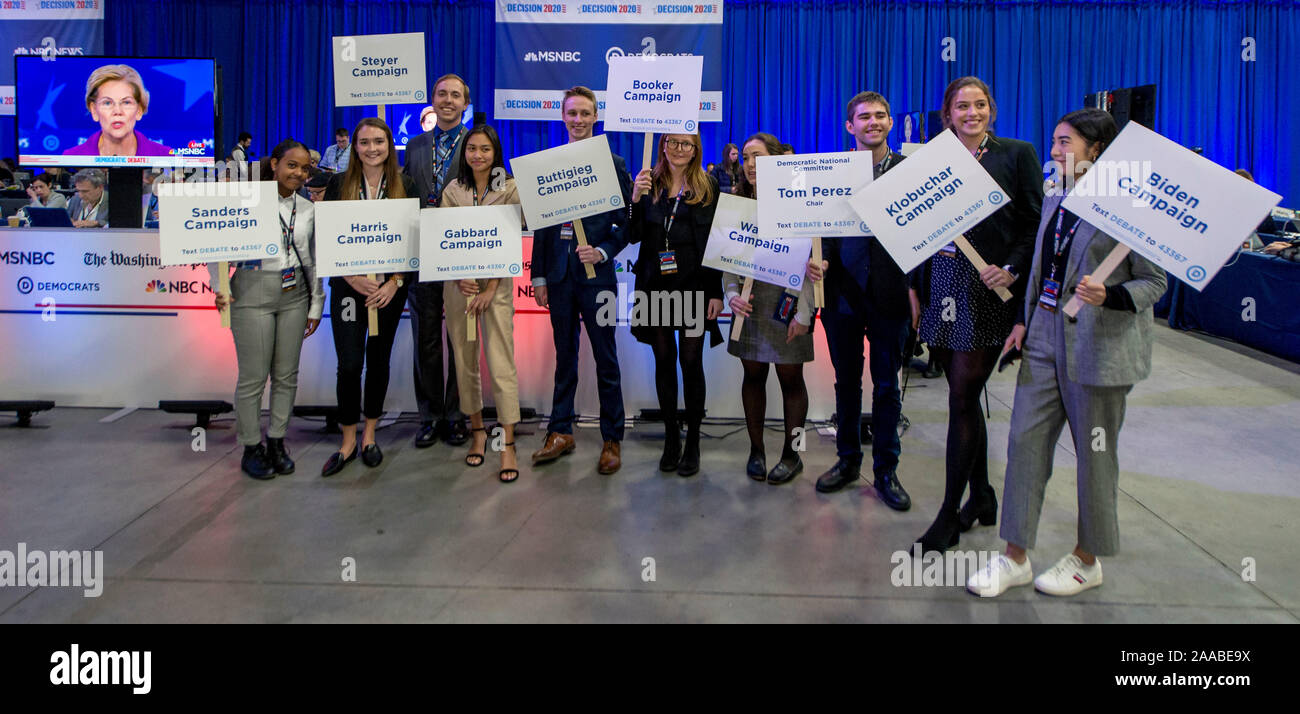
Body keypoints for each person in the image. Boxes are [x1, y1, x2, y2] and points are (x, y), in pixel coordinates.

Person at [967, 109, 1167, 597]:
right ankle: (1015, 555)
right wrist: (1023, 321)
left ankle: (1087, 558)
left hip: (1098, 349)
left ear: (1095, 149)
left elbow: (1154, 281)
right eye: (1055, 141)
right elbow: (1042, 269)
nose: (1055, 151)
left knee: (1095, 458)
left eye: (1064, 142)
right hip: (1042, 338)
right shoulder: (1057, 193)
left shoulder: (1131, 205)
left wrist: (1111, 296)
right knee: (1024, 446)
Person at [911, 76, 1044, 553]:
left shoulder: (1017, 154)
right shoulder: (930, 159)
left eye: (980, 104)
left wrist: (1011, 268)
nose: (972, 113)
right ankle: (983, 495)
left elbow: (1034, 223)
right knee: (961, 393)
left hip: (989, 288)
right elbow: (914, 227)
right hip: (940, 282)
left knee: (963, 396)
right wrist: (914, 291)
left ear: (992, 109)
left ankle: (948, 516)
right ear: (947, 113)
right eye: (962, 106)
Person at [805, 91, 912, 510]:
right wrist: (821, 262)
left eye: (880, 115)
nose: (873, 122)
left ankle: (887, 470)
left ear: (889, 122)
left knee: (887, 387)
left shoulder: (909, 172)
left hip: (891, 295)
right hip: (842, 295)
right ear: (850, 126)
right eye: (863, 117)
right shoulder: (831, 171)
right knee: (846, 383)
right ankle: (848, 461)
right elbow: (822, 232)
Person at [530, 86, 633, 475]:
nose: (578, 120)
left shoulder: (614, 163)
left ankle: (612, 438)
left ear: (595, 117)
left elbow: (625, 225)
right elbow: (541, 227)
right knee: (565, 357)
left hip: (598, 278)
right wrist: (539, 275)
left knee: (606, 358)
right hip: (559, 278)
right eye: (571, 114)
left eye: (585, 113)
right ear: (563, 117)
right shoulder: (549, 163)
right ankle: (560, 431)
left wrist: (603, 251)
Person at [210, 139, 325, 480]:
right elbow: (214, 247)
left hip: (295, 294)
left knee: (287, 375)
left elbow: (314, 261)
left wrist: (316, 304)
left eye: (305, 168)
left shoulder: (307, 210)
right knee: (253, 377)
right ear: (274, 164)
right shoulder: (244, 203)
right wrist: (220, 288)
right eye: (292, 165)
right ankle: (250, 446)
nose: (299, 173)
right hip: (251, 290)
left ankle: (276, 440)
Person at [320, 118, 419, 477]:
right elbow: (327, 236)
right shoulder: (338, 184)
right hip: (349, 288)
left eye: (379, 141)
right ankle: (347, 439)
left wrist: (394, 282)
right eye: (364, 142)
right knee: (349, 364)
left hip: (389, 290)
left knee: (378, 361)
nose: (372, 148)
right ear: (354, 147)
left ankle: (370, 435)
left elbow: (413, 241)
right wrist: (351, 276)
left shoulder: (404, 184)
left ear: (390, 145)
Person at [627, 133, 723, 477]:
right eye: (674, 142)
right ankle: (671, 438)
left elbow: (715, 242)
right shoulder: (647, 182)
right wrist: (635, 198)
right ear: (663, 145)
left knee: (691, 361)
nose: (681, 149)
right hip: (655, 285)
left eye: (688, 144)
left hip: (695, 286)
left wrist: (716, 292)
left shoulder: (707, 186)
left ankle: (693, 439)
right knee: (664, 360)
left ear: (696, 149)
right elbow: (634, 233)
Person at [725, 132, 815, 485]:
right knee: (753, 378)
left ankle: (795, 454)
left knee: (793, 382)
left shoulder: (799, 203)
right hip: (750, 305)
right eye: (745, 157)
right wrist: (732, 292)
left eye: (758, 156)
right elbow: (728, 260)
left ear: (777, 159)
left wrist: (804, 314)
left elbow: (810, 263)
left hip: (789, 305)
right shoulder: (735, 201)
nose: (749, 164)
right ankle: (756, 450)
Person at [440, 125, 524, 483]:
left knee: (501, 361)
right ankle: (477, 433)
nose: (477, 155)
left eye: (485, 149)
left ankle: (506, 442)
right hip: (459, 288)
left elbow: (511, 238)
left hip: (497, 288)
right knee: (464, 360)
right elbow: (444, 238)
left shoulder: (510, 187)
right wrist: (460, 277)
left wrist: (490, 287)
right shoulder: (453, 190)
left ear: (496, 153)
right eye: (472, 149)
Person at [402, 73, 471, 449]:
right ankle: (428, 416)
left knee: (460, 339)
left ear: (465, 103)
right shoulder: (414, 146)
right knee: (425, 338)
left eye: (455, 95)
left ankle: (457, 415)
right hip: (420, 254)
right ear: (432, 99)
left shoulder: (478, 144)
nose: (448, 100)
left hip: (461, 252)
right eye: (442, 94)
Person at [63, 64, 172, 157]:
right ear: (94, 111)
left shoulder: (166, 157)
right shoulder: (71, 159)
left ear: (139, 110)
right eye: (107, 103)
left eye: (126, 102)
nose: (117, 111)